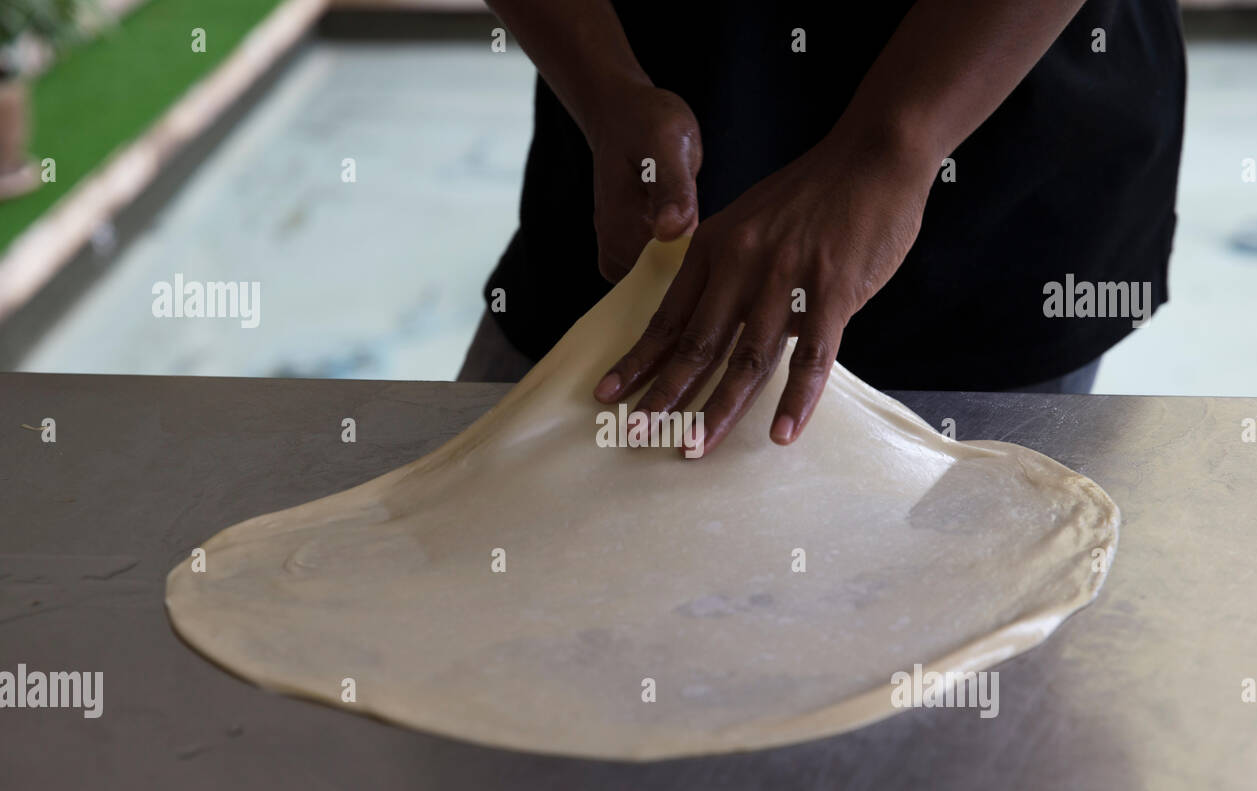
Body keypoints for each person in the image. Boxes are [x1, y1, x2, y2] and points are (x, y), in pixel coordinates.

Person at [460, 0, 1185, 457]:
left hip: (997, 142)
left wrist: (893, 150)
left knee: (965, 617)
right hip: (631, 129)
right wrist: (600, 86)